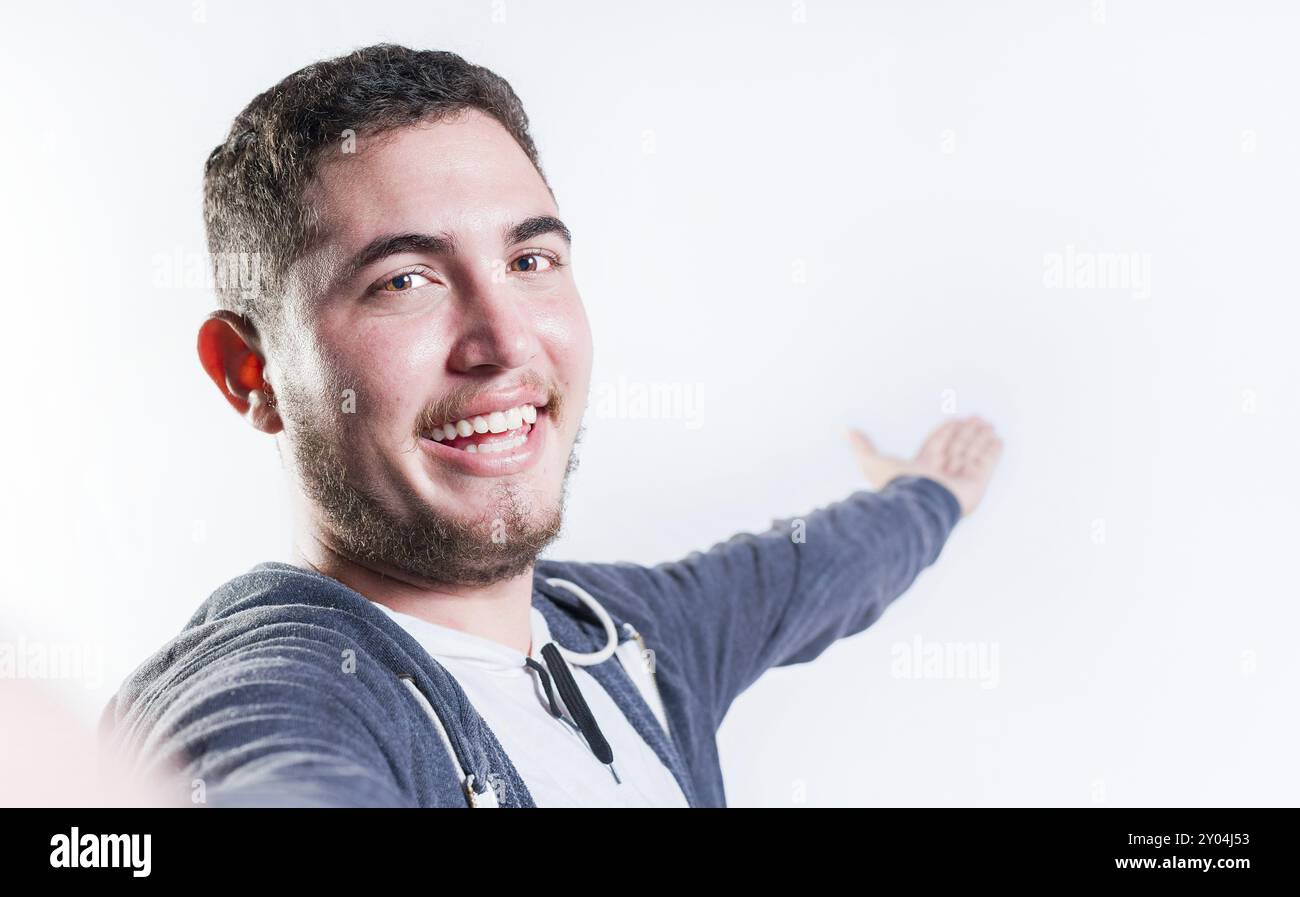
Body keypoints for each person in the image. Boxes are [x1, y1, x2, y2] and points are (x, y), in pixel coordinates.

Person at [100, 44, 1003, 808]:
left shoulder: (621, 632)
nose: (504, 341)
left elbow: (819, 570)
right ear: (248, 372)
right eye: (405, 280)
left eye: (530, 259)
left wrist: (930, 493)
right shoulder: (278, 695)